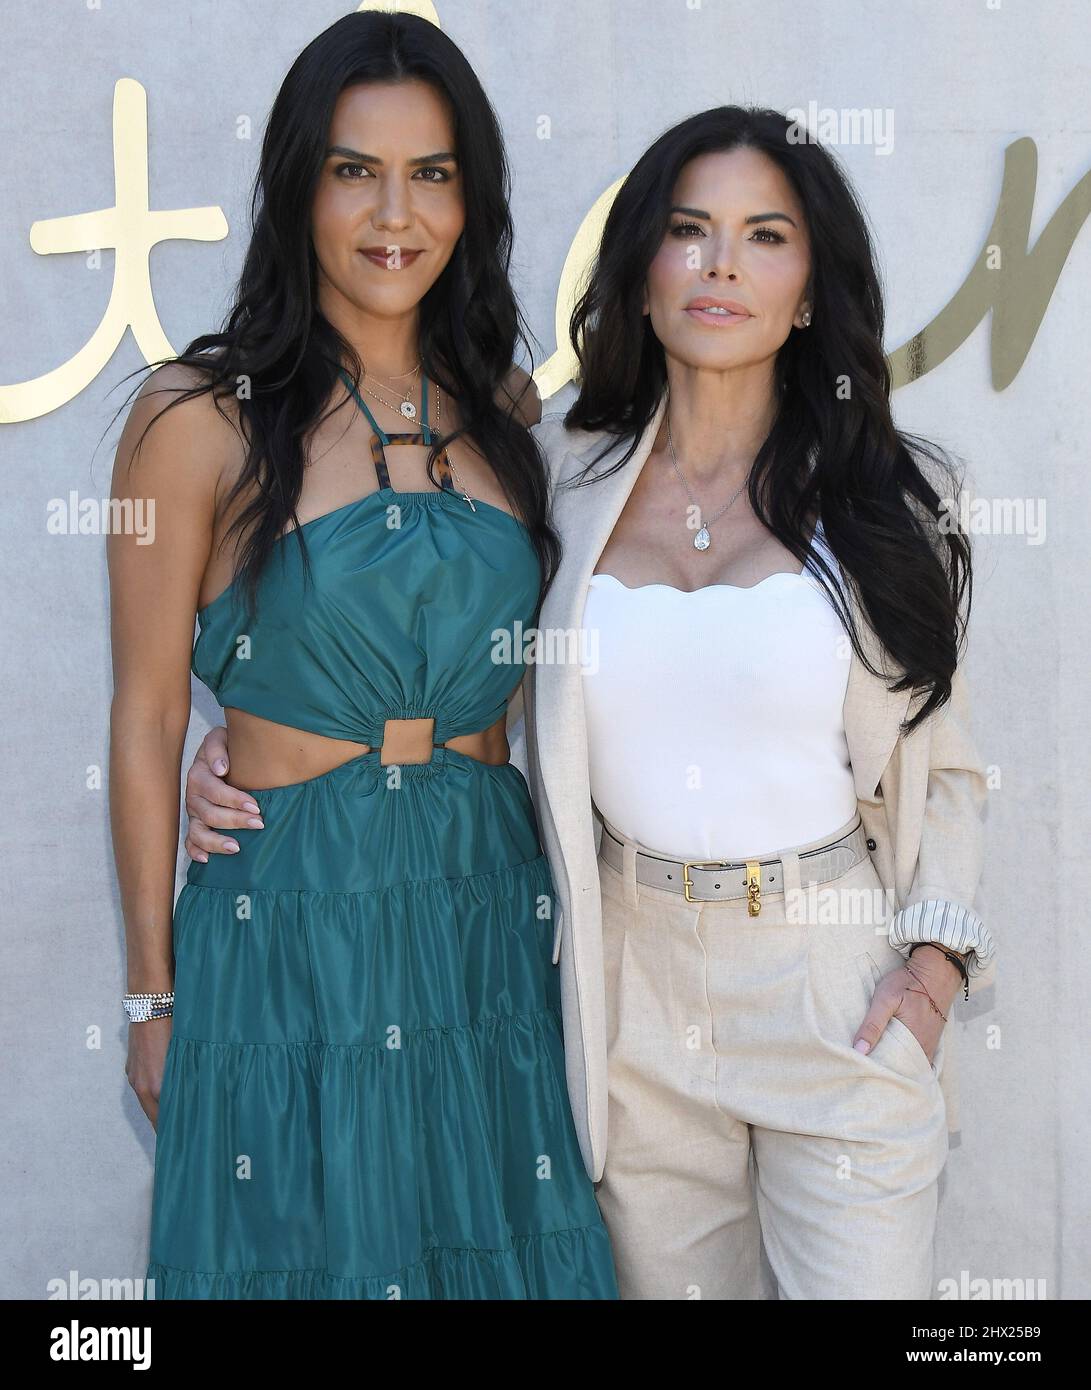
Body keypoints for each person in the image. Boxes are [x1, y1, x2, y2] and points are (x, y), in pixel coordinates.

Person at [183, 105, 996, 1300]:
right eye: (687, 231)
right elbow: (445, 649)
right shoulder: (559, 471)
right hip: (627, 994)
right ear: (643, 270)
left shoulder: (886, 495)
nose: (720, 265)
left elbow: (952, 768)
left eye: (764, 237)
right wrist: (244, 741)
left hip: (832, 978)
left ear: (810, 287)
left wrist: (928, 974)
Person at [107, 10, 617, 1300]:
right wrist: (149, 1001)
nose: (396, 213)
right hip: (290, 917)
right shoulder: (194, 417)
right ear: (296, 186)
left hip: (483, 906)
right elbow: (148, 712)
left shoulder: (502, 409)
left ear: (471, 198)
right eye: (354, 170)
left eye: (432, 174)